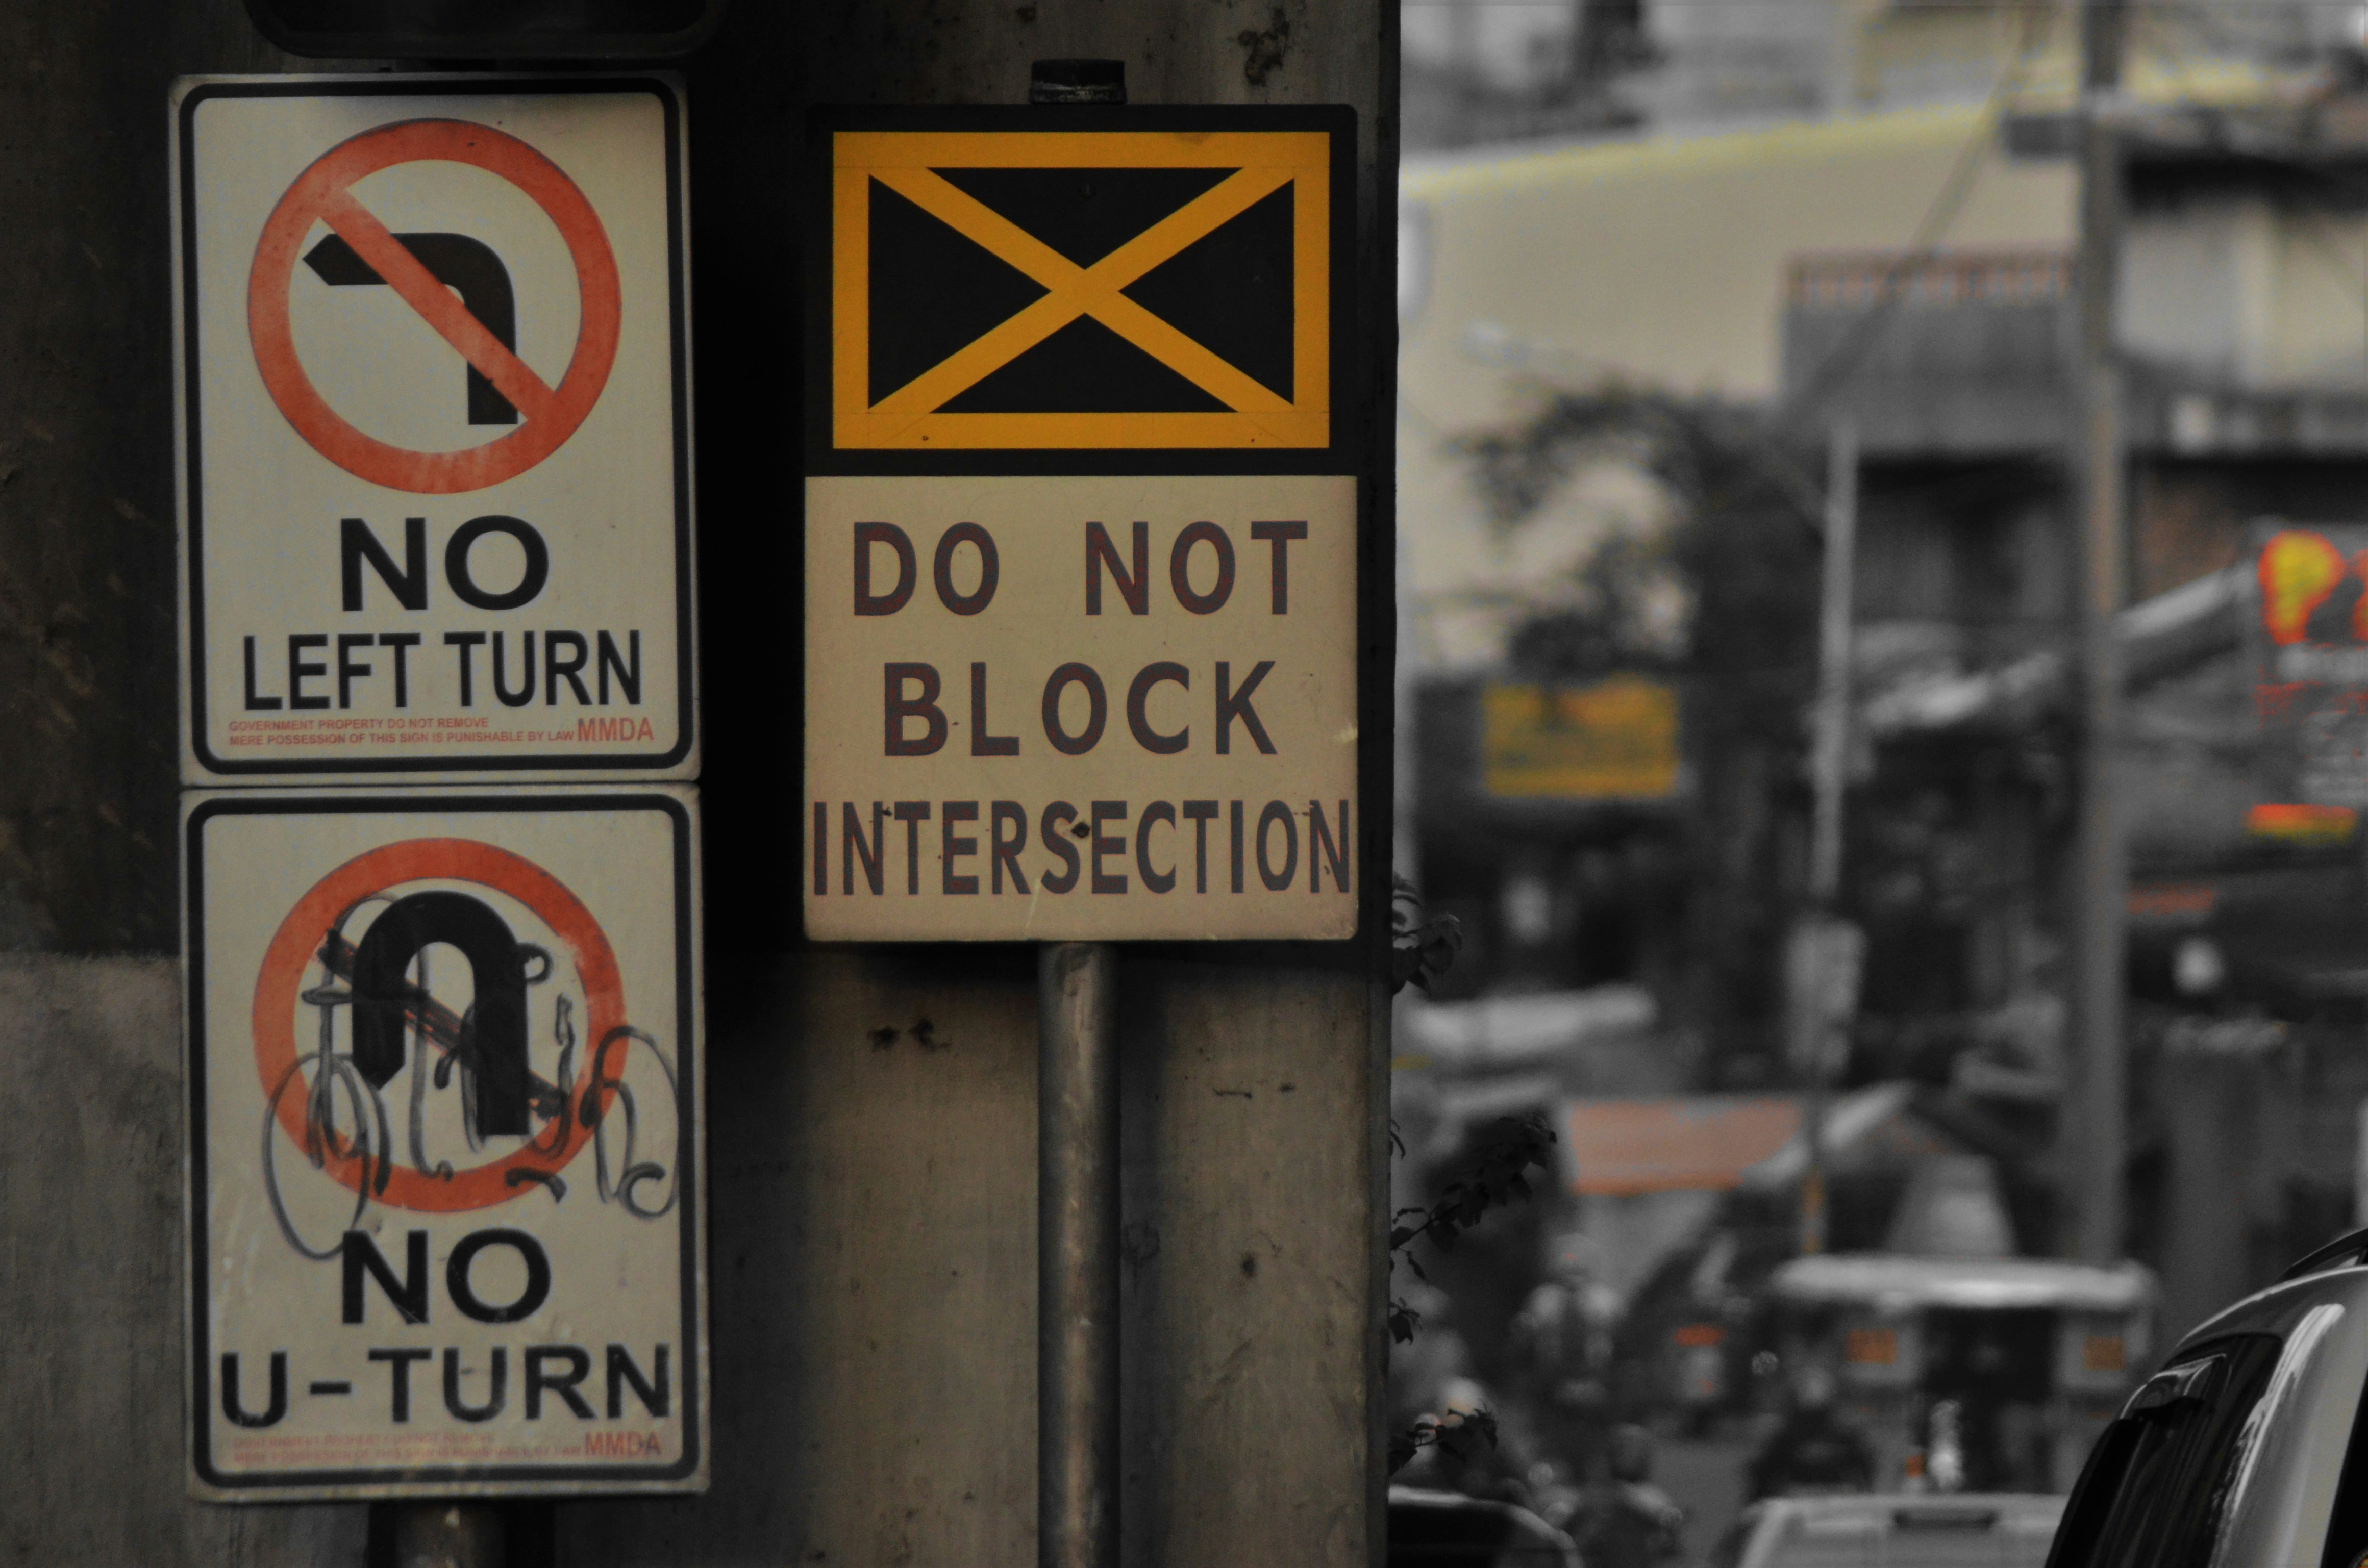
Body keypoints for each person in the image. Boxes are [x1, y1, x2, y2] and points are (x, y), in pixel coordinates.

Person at [1746, 1364, 1876, 1500]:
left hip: (1835, 1500)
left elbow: (1864, 1470)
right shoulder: (1786, 1438)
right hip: (1799, 1500)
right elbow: (1764, 1474)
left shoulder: (1845, 1437)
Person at [1564, 1424, 1686, 1568]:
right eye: (1624, 1449)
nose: (1629, 1456)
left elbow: (1671, 1546)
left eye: (1636, 1451)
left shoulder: (1655, 1497)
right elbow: (1570, 1540)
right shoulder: (1591, 1495)